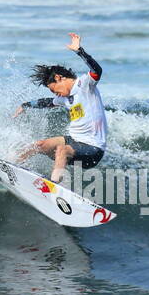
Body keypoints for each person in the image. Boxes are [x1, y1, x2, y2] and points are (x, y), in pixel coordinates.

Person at [12, 32, 108, 183]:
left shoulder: (85, 85)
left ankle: (54, 187)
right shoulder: (64, 98)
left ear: (58, 78)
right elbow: (49, 102)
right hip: (74, 140)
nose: (55, 93)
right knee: (39, 145)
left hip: (93, 149)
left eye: (53, 89)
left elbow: (97, 71)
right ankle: (10, 167)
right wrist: (26, 105)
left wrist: (79, 51)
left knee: (61, 150)